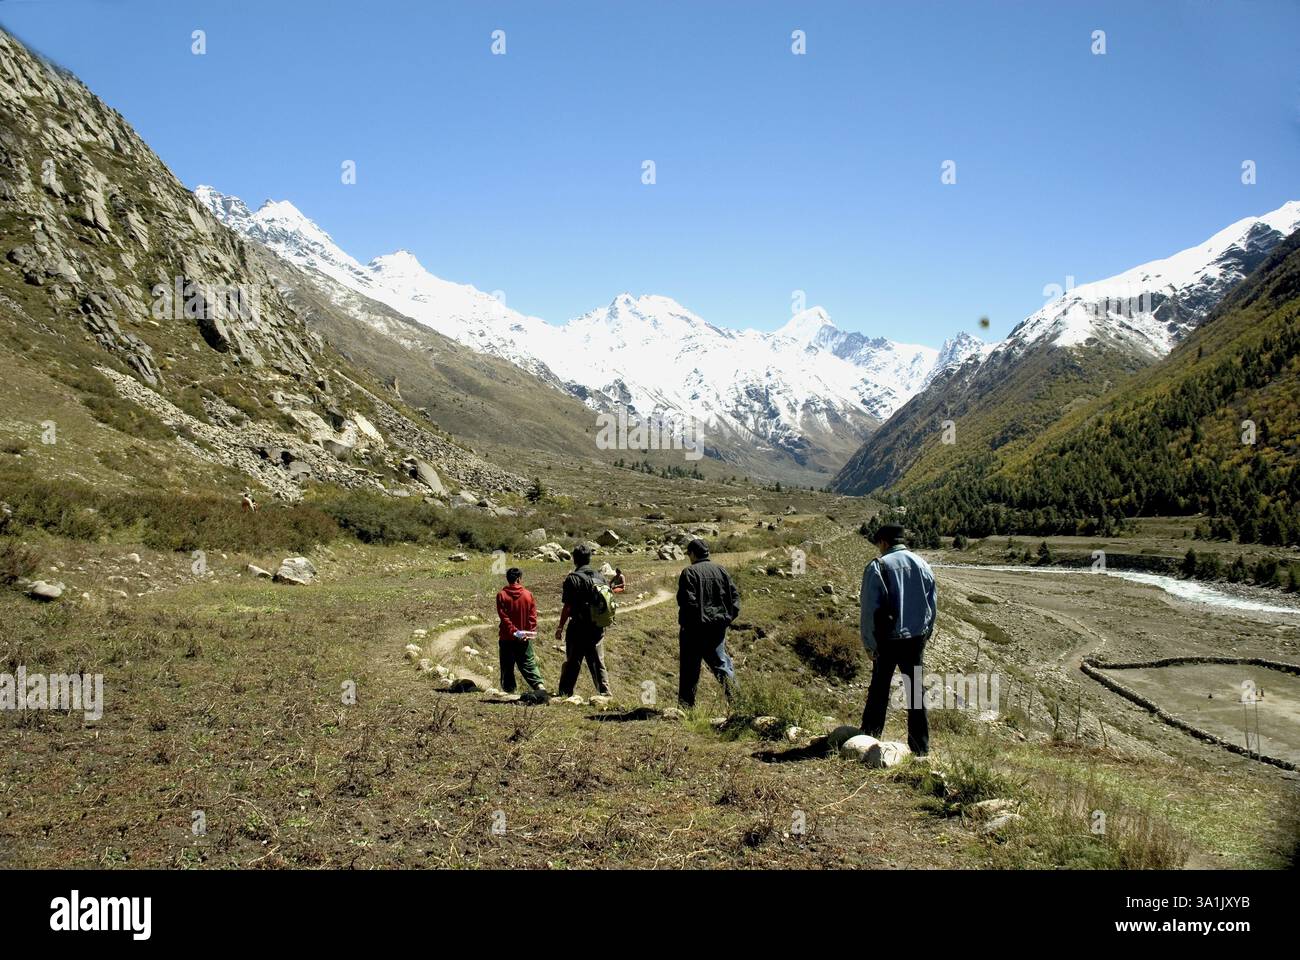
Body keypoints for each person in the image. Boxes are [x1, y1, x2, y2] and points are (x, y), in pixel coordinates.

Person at [859, 523, 936, 756]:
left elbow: (869, 610)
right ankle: (920, 749)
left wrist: (869, 644)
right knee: (915, 693)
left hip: (888, 640)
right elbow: (931, 606)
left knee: (879, 690)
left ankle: (868, 740)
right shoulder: (923, 564)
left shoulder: (878, 566)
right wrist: (925, 635)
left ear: (883, 542)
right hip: (915, 639)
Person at [675, 538, 740, 708]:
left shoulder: (689, 573)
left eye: (689, 553)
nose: (689, 557)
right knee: (722, 665)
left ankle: (686, 709)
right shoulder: (721, 570)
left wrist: (690, 624)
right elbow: (735, 598)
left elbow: (687, 602)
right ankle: (739, 704)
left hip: (693, 631)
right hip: (717, 628)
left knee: (689, 671)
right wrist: (726, 619)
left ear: (693, 554)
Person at [554, 543, 612, 697]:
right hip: (597, 626)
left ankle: (565, 693)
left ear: (574, 559)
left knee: (573, 661)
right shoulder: (601, 577)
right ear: (589, 558)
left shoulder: (573, 579)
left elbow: (567, 607)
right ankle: (605, 694)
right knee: (598, 662)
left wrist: (560, 627)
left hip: (578, 626)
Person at [496, 567, 546, 694]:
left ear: (508, 579)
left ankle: (509, 693)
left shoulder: (501, 595)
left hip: (507, 638)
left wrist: (515, 632)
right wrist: (527, 633)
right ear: (519, 578)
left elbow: (504, 618)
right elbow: (532, 617)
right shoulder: (528, 595)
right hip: (524, 639)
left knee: (507, 666)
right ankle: (540, 688)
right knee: (528, 664)